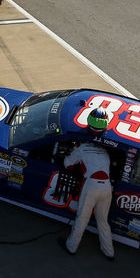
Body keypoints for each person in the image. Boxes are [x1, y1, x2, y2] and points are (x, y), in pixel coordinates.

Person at [59, 107, 115, 261]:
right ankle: (109, 252)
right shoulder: (105, 150)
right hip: (107, 187)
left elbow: (67, 164)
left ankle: (71, 247)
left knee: (82, 218)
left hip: (91, 186)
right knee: (102, 221)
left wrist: (70, 151)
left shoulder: (82, 147)